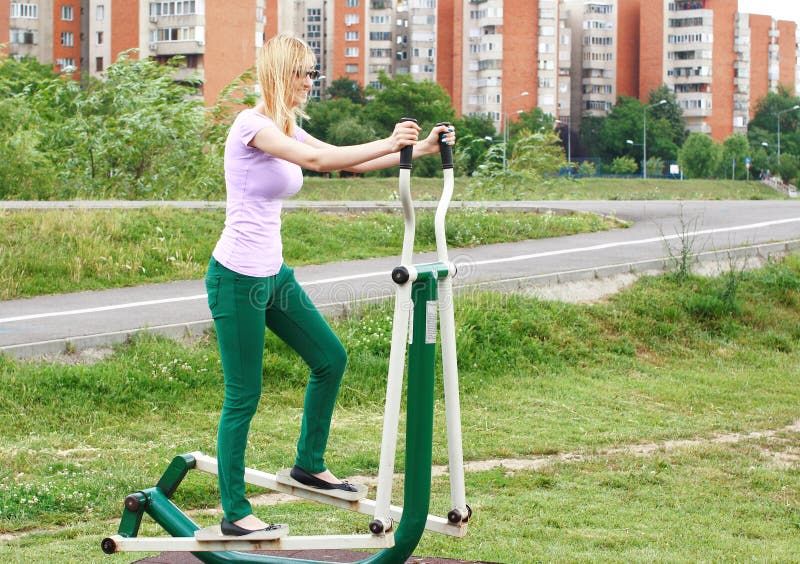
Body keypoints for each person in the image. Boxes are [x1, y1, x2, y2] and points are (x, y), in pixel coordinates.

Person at [205, 32, 456, 536]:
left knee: (329, 358)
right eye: (305, 73)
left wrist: (421, 149)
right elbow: (318, 163)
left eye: (313, 73)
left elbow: (348, 161)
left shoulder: (288, 126)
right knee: (244, 394)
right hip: (235, 277)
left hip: (272, 275)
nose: (310, 82)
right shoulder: (251, 127)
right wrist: (390, 139)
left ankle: (308, 464)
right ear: (282, 74)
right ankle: (234, 512)